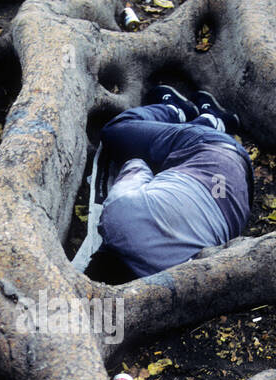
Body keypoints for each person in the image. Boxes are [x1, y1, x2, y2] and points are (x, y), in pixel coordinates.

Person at [86, 86, 253, 282]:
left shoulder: (173, 280)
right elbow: (137, 164)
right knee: (115, 132)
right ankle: (177, 111)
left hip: (241, 197)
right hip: (216, 158)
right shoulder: (115, 218)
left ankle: (211, 122)